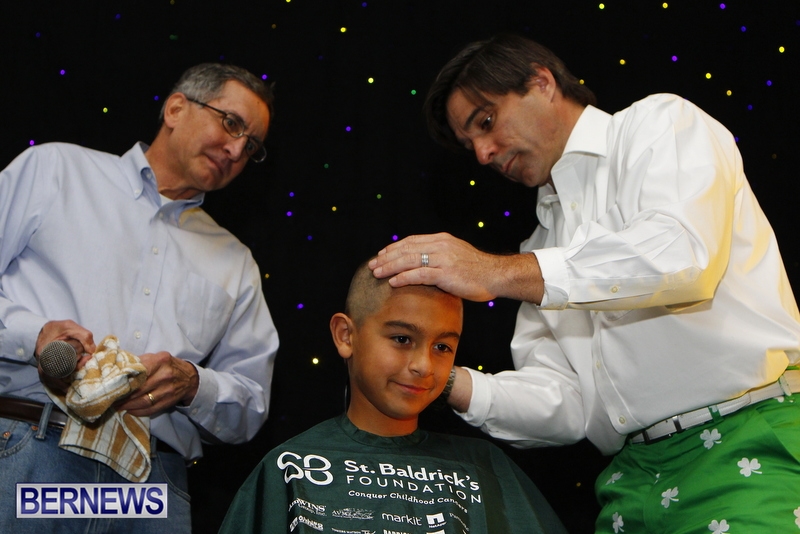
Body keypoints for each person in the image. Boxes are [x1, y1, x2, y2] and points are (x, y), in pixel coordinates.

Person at [369, 34, 800, 532]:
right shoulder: (541, 245)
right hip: (631, 480)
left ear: (542, 82)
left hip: (750, 441)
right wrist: (440, 378)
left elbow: (682, 256)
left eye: (486, 122)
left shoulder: (659, 124)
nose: (483, 154)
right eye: (471, 146)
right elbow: (568, 403)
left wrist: (494, 271)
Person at [0, 63, 279, 532]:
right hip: (36, 444)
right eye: (231, 123)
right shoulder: (56, 171)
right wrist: (35, 336)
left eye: (250, 146)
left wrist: (192, 384)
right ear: (175, 108)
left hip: (151, 485)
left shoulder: (236, 262)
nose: (235, 149)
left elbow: (251, 404)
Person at [218, 260, 568, 534]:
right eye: (402, 339)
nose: (423, 365)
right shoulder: (290, 466)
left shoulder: (483, 466)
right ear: (345, 336)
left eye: (442, 346)